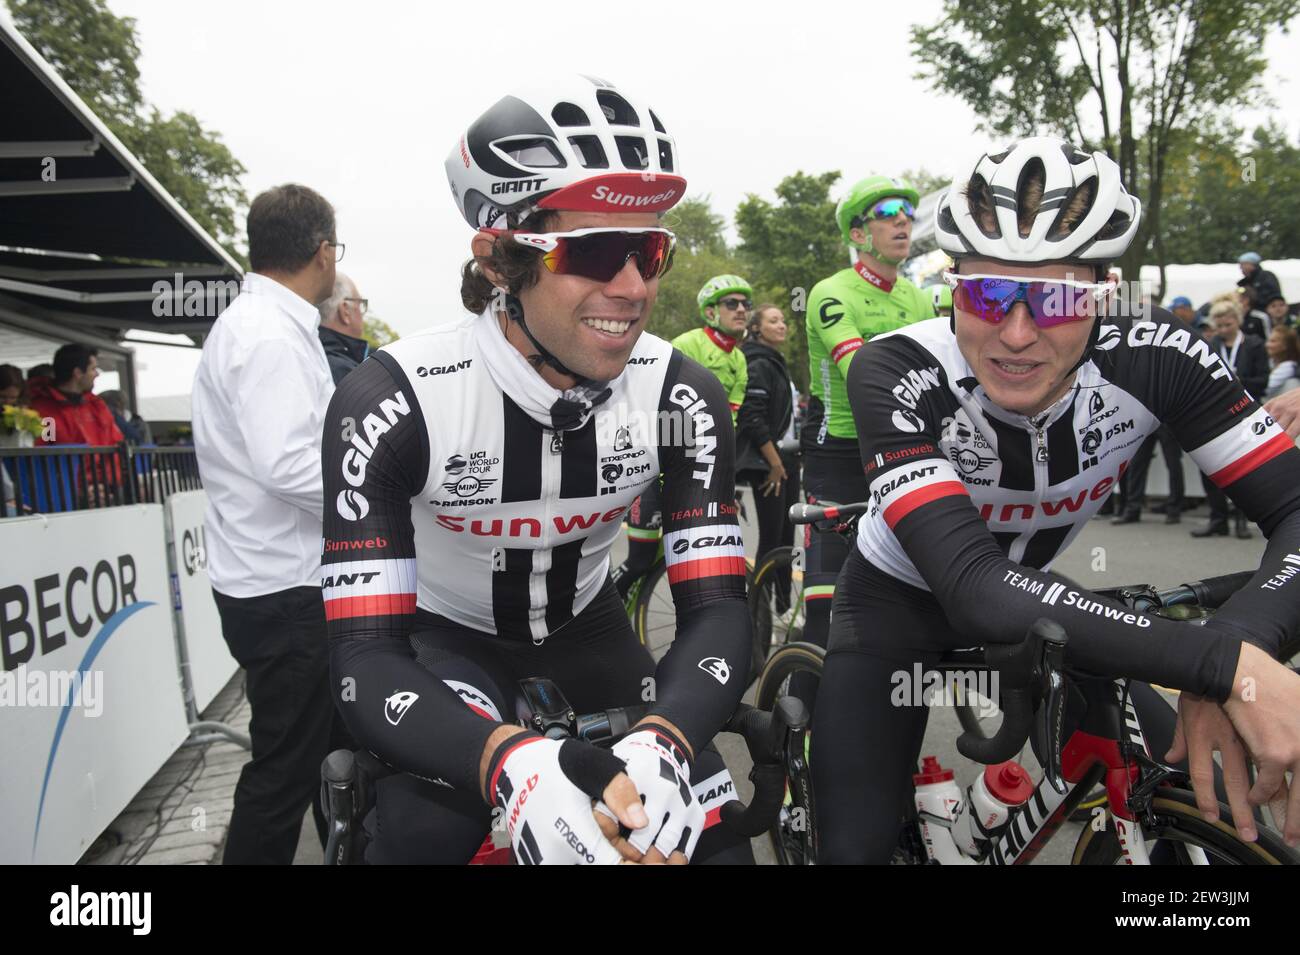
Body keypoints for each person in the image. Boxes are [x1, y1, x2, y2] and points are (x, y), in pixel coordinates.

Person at [814, 135, 1300, 863]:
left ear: (1104, 290)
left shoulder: (1162, 357)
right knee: (856, 848)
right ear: (954, 283)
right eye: (984, 294)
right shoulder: (898, 366)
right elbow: (975, 586)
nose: (1016, 333)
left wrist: (1245, 646)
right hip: (897, 605)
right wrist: (1220, 663)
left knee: (1178, 782)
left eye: (1059, 299)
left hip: (1038, 597)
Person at [322, 76, 754, 865]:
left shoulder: (680, 394)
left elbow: (721, 612)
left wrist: (666, 740)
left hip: (586, 631)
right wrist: (509, 763)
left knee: (707, 842)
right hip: (441, 643)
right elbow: (364, 662)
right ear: (499, 259)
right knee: (423, 836)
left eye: (649, 250)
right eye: (592, 249)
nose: (633, 287)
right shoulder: (395, 399)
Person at [191, 183, 344, 865]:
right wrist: (372, 498)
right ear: (323, 251)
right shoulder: (267, 335)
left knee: (318, 757)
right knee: (284, 771)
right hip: (284, 589)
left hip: (278, 581)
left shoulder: (269, 324)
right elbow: (289, 466)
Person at [801, 175, 934, 656]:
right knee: (824, 607)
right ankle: (797, 727)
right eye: (887, 211)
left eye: (907, 212)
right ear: (858, 235)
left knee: (913, 594)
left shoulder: (917, 298)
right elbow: (862, 374)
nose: (903, 219)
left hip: (900, 450)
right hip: (838, 452)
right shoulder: (830, 292)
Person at [613, 275, 751, 600]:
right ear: (711, 312)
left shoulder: (740, 359)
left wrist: (725, 484)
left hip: (697, 475)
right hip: (656, 467)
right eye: (732, 303)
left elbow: (726, 428)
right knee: (639, 561)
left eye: (746, 304)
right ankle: (597, 613)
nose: (742, 309)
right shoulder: (687, 344)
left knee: (694, 566)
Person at [1190, 296, 1269, 540]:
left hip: (1246, 411)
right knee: (1210, 468)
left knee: (1244, 470)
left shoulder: (1254, 344)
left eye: (1228, 324)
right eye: (1220, 325)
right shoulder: (1210, 344)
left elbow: (1263, 380)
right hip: (1216, 413)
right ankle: (1218, 519)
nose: (1224, 329)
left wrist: (1236, 383)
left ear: (1237, 320)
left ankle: (1242, 520)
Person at [737, 304, 798, 606]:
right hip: (769, 462)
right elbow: (752, 417)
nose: (782, 325)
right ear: (757, 328)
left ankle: (783, 606)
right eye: (774, 320)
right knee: (772, 541)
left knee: (786, 537)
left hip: (785, 459)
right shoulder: (757, 362)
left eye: (783, 320)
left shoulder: (774, 360)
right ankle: (758, 618)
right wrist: (774, 463)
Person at [26, 345, 123, 448]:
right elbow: (45, 452)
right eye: (93, 369)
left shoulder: (96, 405)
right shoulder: (43, 411)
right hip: (66, 464)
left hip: (104, 464)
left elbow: (116, 443)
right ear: (78, 373)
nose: (97, 374)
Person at [317, 273, 371, 384]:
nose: (362, 314)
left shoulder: (306, 355)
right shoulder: (348, 374)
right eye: (360, 304)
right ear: (345, 310)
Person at [1265, 325, 1300, 398]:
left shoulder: (1289, 367)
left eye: (1273, 341)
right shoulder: (1270, 362)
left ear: (1285, 346)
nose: (1267, 345)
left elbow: (1264, 387)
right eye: (1268, 341)